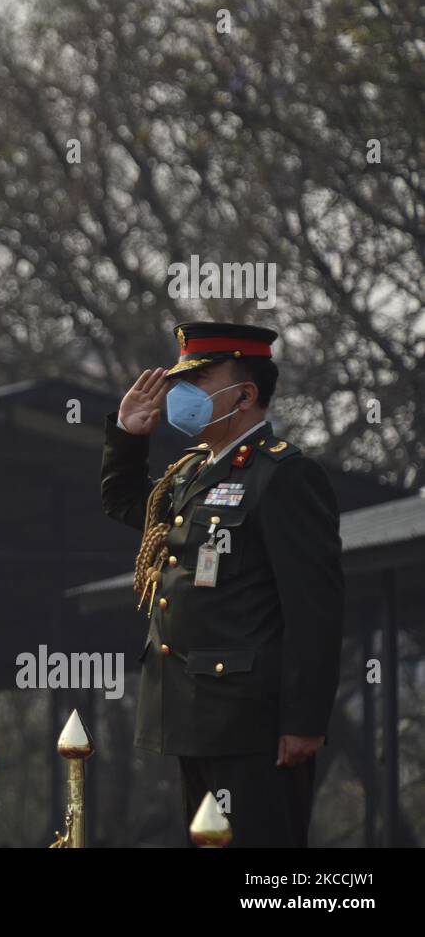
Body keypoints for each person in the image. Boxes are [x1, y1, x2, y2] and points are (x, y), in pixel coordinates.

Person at [101, 321, 343, 846]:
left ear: (247, 394)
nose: (180, 394)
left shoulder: (282, 476)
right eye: (180, 381)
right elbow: (130, 507)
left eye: (200, 381)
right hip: (194, 716)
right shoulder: (192, 473)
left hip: (255, 723)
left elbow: (314, 610)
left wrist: (304, 721)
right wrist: (127, 439)